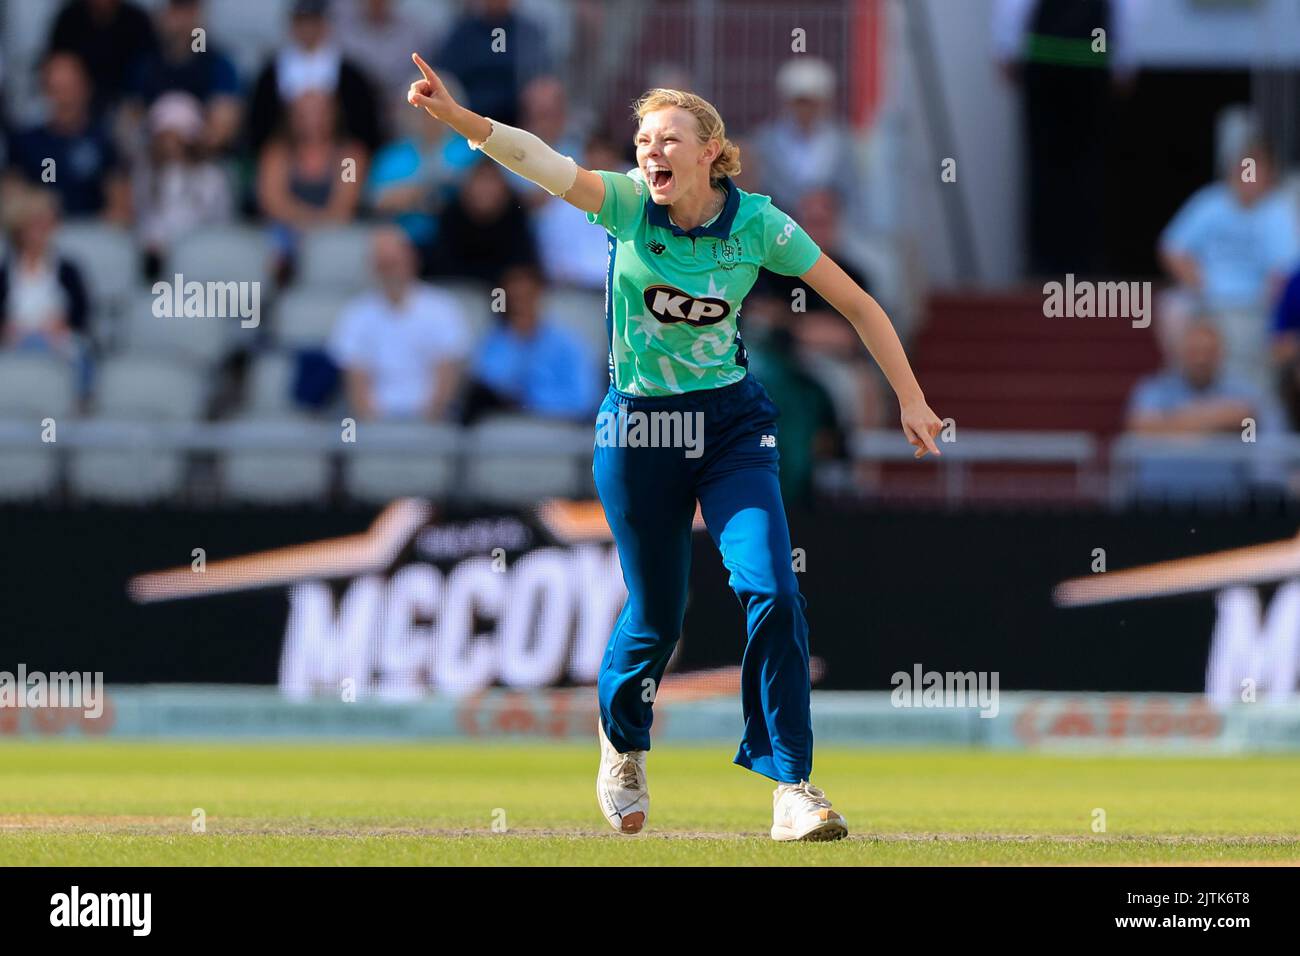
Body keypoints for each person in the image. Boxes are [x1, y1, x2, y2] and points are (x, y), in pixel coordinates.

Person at [407, 53, 943, 842]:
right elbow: (543, 162)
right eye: (643, 140)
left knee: (774, 592)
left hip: (729, 426)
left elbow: (859, 304)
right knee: (658, 616)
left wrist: (911, 396)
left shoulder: (759, 223)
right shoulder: (626, 205)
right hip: (639, 428)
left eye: (668, 138)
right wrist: (461, 122)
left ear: (710, 153)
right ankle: (622, 744)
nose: (650, 151)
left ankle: (791, 785)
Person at [1158, 138, 1300, 389]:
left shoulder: (1276, 212)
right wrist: (1199, 284)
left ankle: (1258, 395)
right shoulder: (1209, 202)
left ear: (1268, 178)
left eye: (1256, 172)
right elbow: (1171, 248)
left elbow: (1285, 271)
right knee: (1172, 306)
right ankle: (1184, 381)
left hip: (1255, 303)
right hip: (1206, 297)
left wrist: (1269, 300)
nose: (1248, 179)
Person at [1125, 322, 1283, 503]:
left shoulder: (1244, 391)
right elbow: (1141, 428)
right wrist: (1218, 422)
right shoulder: (1153, 389)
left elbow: (1249, 430)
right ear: (1179, 353)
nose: (1201, 359)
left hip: (1227, 505)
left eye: (1208, 352)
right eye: (1194, 352)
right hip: (1158, 502)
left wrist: (1171, 425)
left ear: (1221, 353)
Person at [329, 226, 471, 421]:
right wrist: (376, 431)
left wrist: (426, 427)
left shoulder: (443, 308)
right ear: (372, 266)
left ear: (412, 259)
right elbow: (356, 383)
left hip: (433, 422)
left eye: (394, 262)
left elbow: (447, 376)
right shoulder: (355, 314)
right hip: (373, 424)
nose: (389, 269)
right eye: (383, 263)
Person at [462, 264, 601, 423]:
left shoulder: (567, 345)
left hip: (555, 423)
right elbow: (484, 385)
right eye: (514, 299)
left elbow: (584, 400)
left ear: (539, 295)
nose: (520, 306)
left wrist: (530, 401)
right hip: (504, 423)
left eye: (526, 298)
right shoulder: (494, 341)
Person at [247, 0, 383, 156]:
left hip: (340, 158)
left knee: (350, 166)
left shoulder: (352, 77)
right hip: (289, 158)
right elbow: (259, 131)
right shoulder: (270, 75)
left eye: (314, 21)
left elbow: (364, 129)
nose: (308, 28)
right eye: (302, 21)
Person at [5, 53, 130, 222]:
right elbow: (9, 200)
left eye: (70, 88)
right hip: (38, 237)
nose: (64, 98)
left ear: (86, 88)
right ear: (44, 92)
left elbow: (120, 205)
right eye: (55, 89)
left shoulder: (103, 140)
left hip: (90, 236)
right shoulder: (25, 141)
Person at [133, 92, 234, 278]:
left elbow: (220, 226)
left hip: (203, 265)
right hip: (153, 266)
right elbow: (143, 221)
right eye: (165, 135)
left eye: (178, 134)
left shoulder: (213, 177)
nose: (170, 142)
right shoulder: (144, 174)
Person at [0, 188, 91, 392]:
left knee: (76, 355)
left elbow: (81, 314)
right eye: (34, 226)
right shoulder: (5, 272)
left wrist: (61, 326)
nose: (40, 232)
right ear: (20, 230)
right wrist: (9, 329)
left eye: (46, 225)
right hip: (12, 342)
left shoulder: (69, 270)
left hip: (58, 342)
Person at [124, 0, 243, 154]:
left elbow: (223, 124)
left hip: (200, 160)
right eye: (176, 10)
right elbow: (129, 119)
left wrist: (184, 144)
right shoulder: (146, 66)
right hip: (154, 158)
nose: (182, 19)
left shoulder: (217, 65)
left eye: (189, 11)